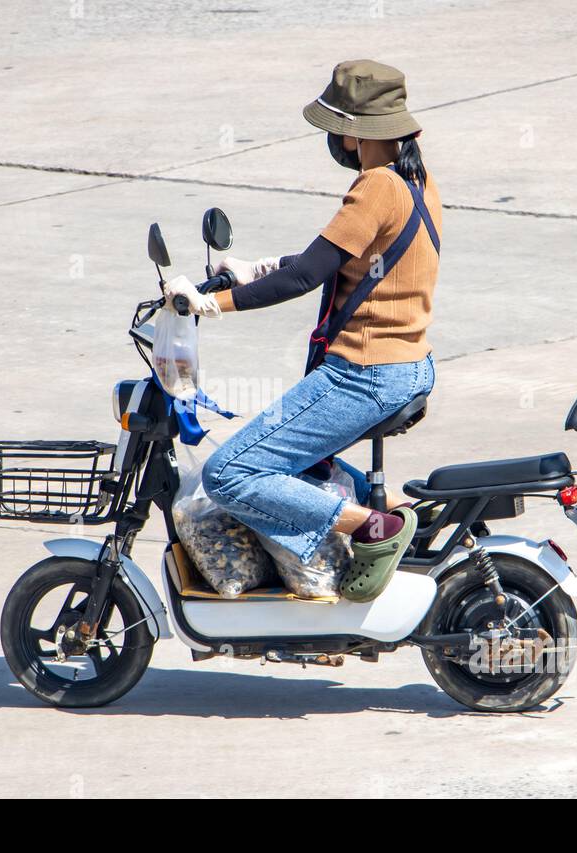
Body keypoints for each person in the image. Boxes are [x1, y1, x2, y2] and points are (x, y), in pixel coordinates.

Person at [162, 60, 441, 601]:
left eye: (335, 127)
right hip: (406, 365)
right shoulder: (415, 182)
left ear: (356, 132)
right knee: (293, 463)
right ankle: (374, 515)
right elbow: (338, 257)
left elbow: (308, 276)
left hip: (365, 371)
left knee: (230, 475)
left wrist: (210, 305)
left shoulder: (376, 186)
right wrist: (253, 269)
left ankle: (373, 528)